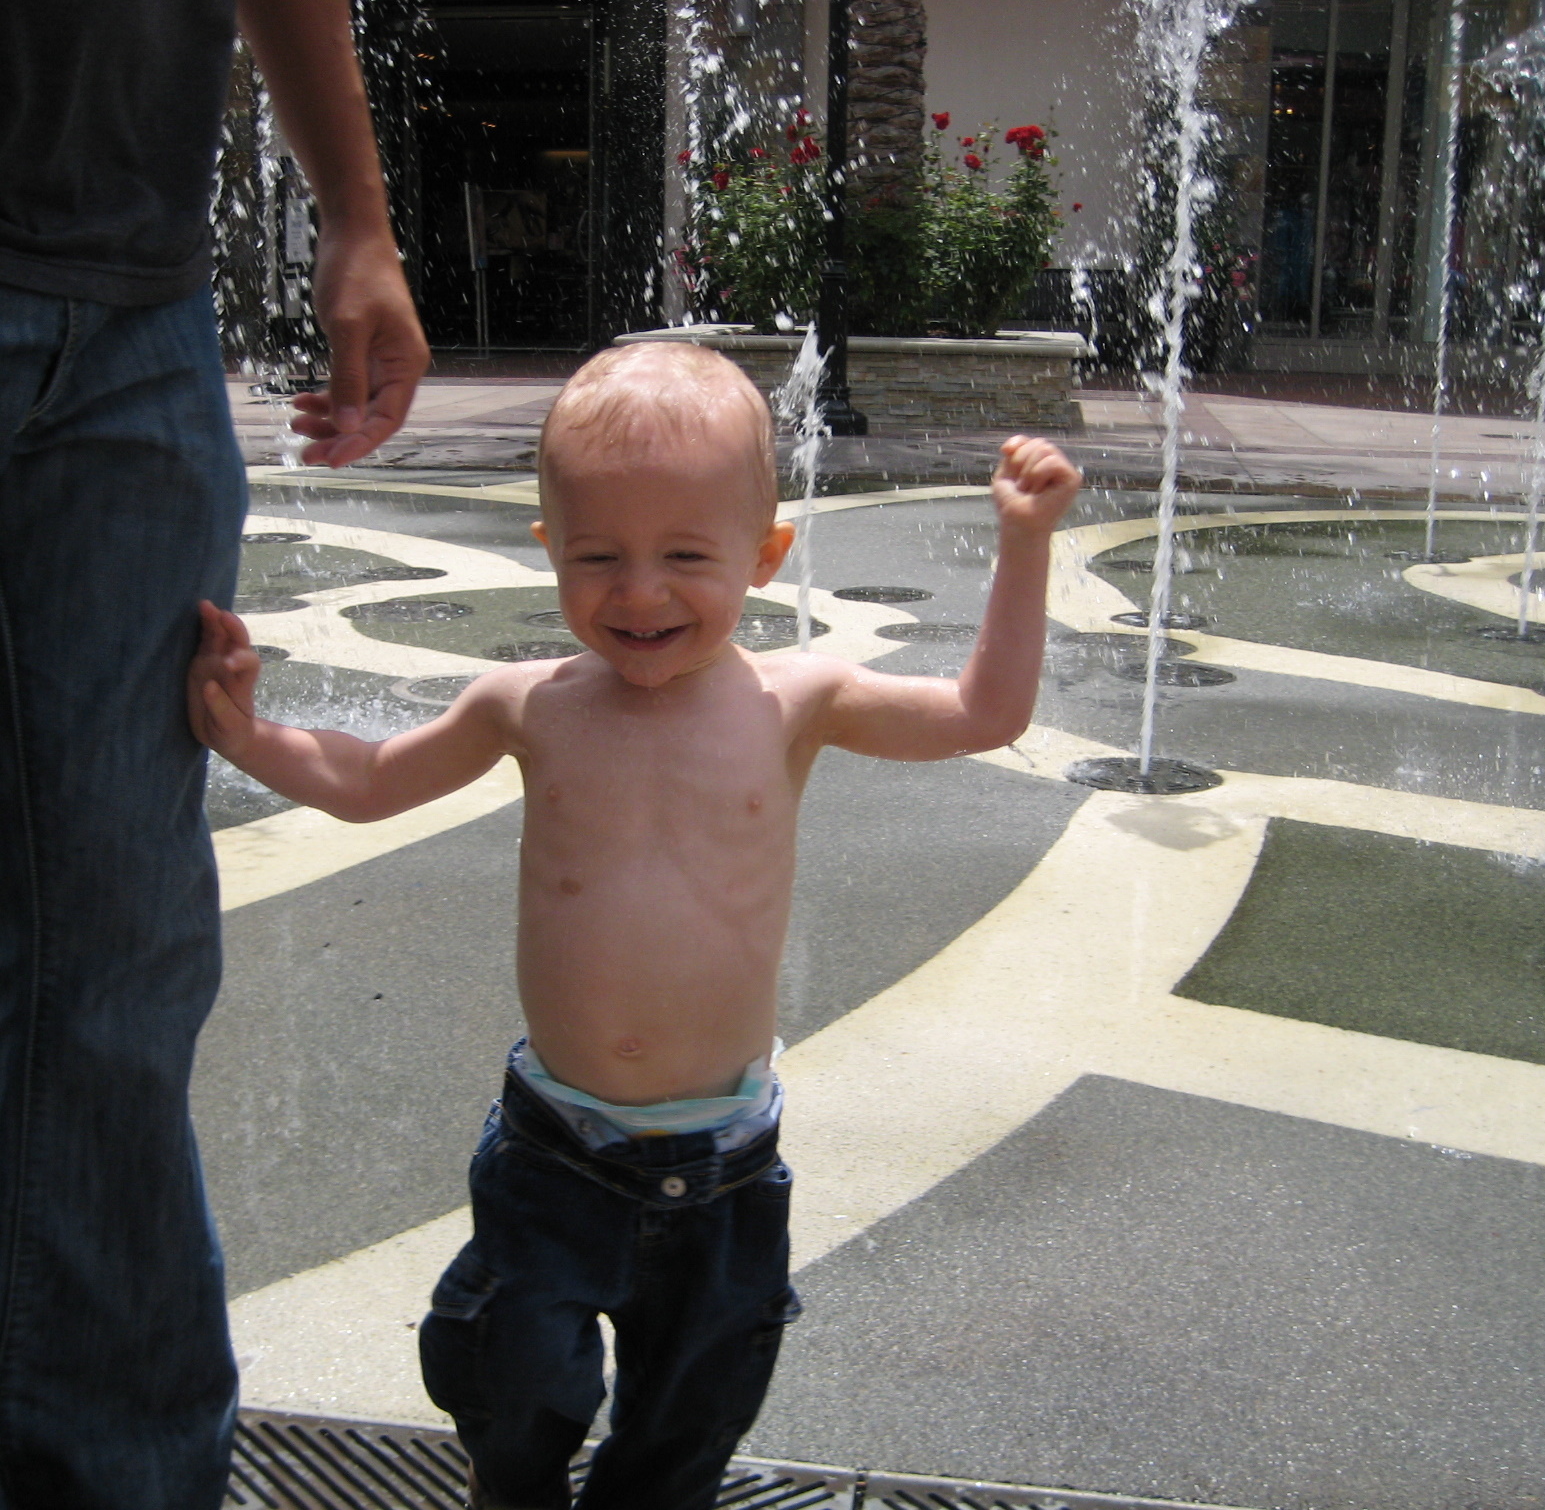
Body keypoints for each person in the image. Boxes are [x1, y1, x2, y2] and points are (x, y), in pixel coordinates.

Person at [187, 343, 1083, 1510]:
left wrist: (1025, 541)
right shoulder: (530, 706)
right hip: (555, 1151)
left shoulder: (796, 702)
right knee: (510, 1387)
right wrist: (254, 739)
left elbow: (983, 712)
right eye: (599, 555)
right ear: (549, 550)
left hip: (725, 1174)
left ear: (765, 557)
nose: (641, 592)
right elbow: (369, 779)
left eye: (685, 558)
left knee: (686, 1429)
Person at [0, 0, 428, 1504]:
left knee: (120, 947)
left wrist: (355, 218)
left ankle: (122, 1477)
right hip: (121, 310)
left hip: (136, 309)